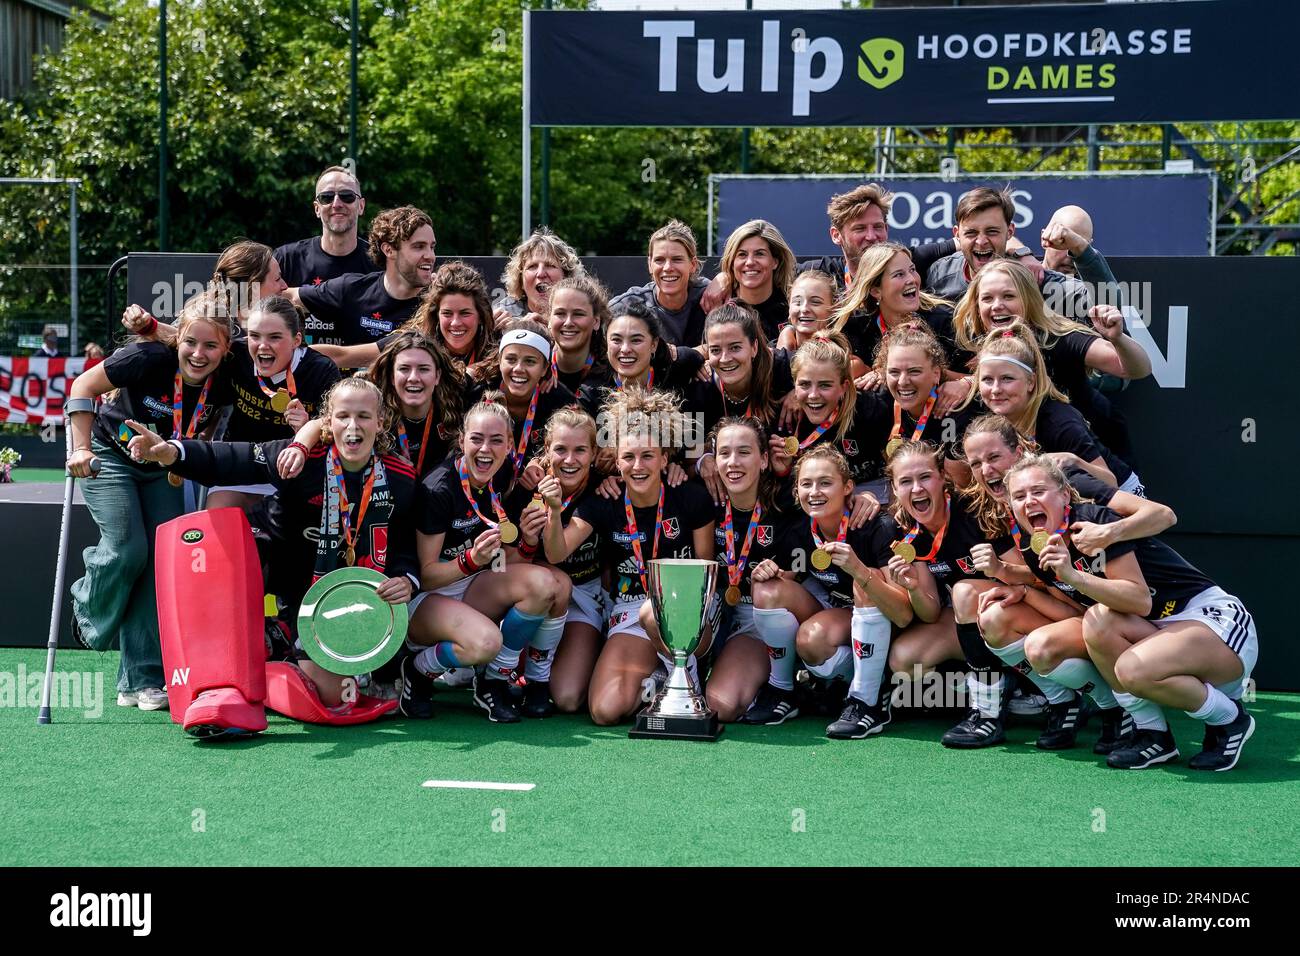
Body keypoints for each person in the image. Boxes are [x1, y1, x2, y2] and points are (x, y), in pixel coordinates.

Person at [126, 376, 421, 708]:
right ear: (328, 421)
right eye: (343, 416)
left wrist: (406, 580)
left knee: (336, 699)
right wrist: (171, 452)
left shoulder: (400, 478)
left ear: (380, 421)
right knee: (228, 564)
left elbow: (404, 547)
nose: (353, 426)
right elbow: (228, 459)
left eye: (364, 417)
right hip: (274, 560)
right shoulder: (300, 458)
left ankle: (277, 639)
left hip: (326, 590)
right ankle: (218, 681)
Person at [1003, 455, 1258, 771]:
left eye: (1038, 491)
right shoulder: (1033, 546)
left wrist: (1075, 576)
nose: (1029, 501)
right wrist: (1018, 583)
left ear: (1064, 495)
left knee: (1132, 669)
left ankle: (1230, 719)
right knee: (1096, 622)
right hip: (1159, 632)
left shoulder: (1094, 520)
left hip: (1212, 620)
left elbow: (1139, 600)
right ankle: (1153, 735)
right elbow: (1083, 605)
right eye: (1019, 496)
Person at [956, 414, 1177, 750]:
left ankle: (1130, 710)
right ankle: (1071, 704)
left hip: (1136, 605)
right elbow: (1045, 573)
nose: (986, 470)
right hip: (1078, 601)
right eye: (975, 463)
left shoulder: (1064, 481)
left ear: (1018, 453)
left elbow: (1162, 514)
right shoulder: (991, 503)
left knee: (1054, 636)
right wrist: (1006, 573)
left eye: (994, 457)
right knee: (994, 617)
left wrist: (1107, 533)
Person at [64, 293, 236, 711]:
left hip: (165, 465)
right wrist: (81, 448)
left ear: (226, 348)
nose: (198, 354)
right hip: (108, 455)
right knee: (128, 549)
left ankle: (140, 679)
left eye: (211, 346)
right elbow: (83, 385)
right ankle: (87, 609)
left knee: (159, 562)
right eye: (190, 343)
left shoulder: (232, 373)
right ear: (178, 340)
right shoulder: (147, 356)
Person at [544, 387, 714, 726]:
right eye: (628, 457)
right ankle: (659, 682)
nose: (638, 466)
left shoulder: (691, 498)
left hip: (688, 610)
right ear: (616, 461)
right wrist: (552, 511)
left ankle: (689, 680)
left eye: (648, 456)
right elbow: (556, 551)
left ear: (665, 458)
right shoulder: (605, 499)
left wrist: (684, 616)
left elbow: (707, 574)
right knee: (603, 711)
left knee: (654, 611)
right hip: (629, 609)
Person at [403, 398, 570, 722]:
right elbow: (424, 577)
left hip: (472, 583)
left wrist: (528, 541)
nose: (485, 449)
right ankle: (418, 670)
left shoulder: (501, 470)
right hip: (428, 600)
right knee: (486, 642)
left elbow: (501, 560)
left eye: (496, 440)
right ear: (462, 439)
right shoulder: (439, 489)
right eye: (477, 439)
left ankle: (494, 680)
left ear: (509, 444)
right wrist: (469, 559)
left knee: (549, 585)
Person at [953, 258, 1148, 462]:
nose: (997, 306)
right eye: (987, 299)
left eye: (1008, 296)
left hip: (1091, 461)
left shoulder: (1058, 338)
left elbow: (1136, 369)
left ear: (1028, 299)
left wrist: (1117, 339)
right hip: (1025, 469)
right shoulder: (970, 343)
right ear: (976, 305)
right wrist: (963, 382)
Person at [787, 445, 919, 739]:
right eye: (806, 484)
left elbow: (903, 616)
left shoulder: (878, 526)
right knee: (810, 641)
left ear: (848, 487)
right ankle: (785, 690)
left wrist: (859, 570)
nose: (814, 492)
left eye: (825, 483)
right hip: (850, 619)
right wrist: (766, 575)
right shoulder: (799, 532)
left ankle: (866, 702)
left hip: (896, 626)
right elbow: (785, 581)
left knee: (865, 580)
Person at [971, 321, 1142, 494]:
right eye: (987, 380)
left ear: (1031, 381)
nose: (996, 389)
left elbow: (1110, 481)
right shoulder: (995, 415)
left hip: (1121, 497)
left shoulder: (1059, 422)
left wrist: (1074, 461)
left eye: (1007, 379)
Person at [532, 407, 605, 714]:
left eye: (580, 450)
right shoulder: (528, 482)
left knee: (567, 697)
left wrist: (555, 509)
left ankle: (593, 652)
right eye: (560, 449)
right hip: (537, 597)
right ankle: (514, 673)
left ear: (594, 454)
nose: (570, 460)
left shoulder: (603, 490)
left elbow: (556, 553)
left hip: (584, 594)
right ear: (547, 450)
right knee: (551, 583)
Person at [684, 302, 793, 502]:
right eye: (716, 350)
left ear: (754, 347)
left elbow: (836, 365)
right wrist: (703, 461)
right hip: (727, 501)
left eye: (735, 347)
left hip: (781, 495)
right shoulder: (699, 389)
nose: (725, 359)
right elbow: (690, 459)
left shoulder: (782, 367)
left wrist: (802, 389)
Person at [926, 187, 1089, 320]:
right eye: (971, 233)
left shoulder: (1033, 278)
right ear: (957, 234)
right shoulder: (939, 273)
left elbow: (1108, 301)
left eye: (992, 231)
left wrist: (1080, 247)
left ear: (1009, 232)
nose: (981, 241)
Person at [290, 205, 435, 345]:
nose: (430, 256)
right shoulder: (353, 289)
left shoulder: (440, 299)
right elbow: (289, 297)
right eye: (419, 247)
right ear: (389, 250)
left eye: (432, 247)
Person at [469, 321, 578, 484]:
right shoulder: (476, 391)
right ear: (500, 361)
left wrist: (542, 462)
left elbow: (575, 449)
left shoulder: (560, 401)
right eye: (511, 359)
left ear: (544, 368)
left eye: (530, 361)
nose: (519, 368)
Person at [609, 220, 710, 346]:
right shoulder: (627, 305)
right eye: (659, 260)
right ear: (650, 264)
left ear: (693, 264)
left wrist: (724, 279)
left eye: (677, 259)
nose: (667, 267)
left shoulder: (711, 295)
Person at [273, 165, 375, 289]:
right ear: (317, 208)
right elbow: (246, 285)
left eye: (347, 196)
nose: (337, 204)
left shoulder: (380, 261)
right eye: (326, 197)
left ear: (361, 206)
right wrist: (247, 308)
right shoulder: (286, 259)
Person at [717, 219, 796, 342]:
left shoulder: (792, 308)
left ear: (775, 261)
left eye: (759, 254)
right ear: (732, 262)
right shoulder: (715, 303)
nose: (750, 262)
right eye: (742, 255)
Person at [494, 227, 583, 323]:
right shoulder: (504, 313)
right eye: (532, 266)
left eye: (550, 265)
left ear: (566, 277)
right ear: (521, 281)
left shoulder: (581, 312)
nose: (540, 273)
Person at [547, 274, 609, 392]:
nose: (568, 322)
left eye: (578, 314)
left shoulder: (611, 378)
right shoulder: (536, 370)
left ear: (596, 321)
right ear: (549, 320)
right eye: (560, 313)